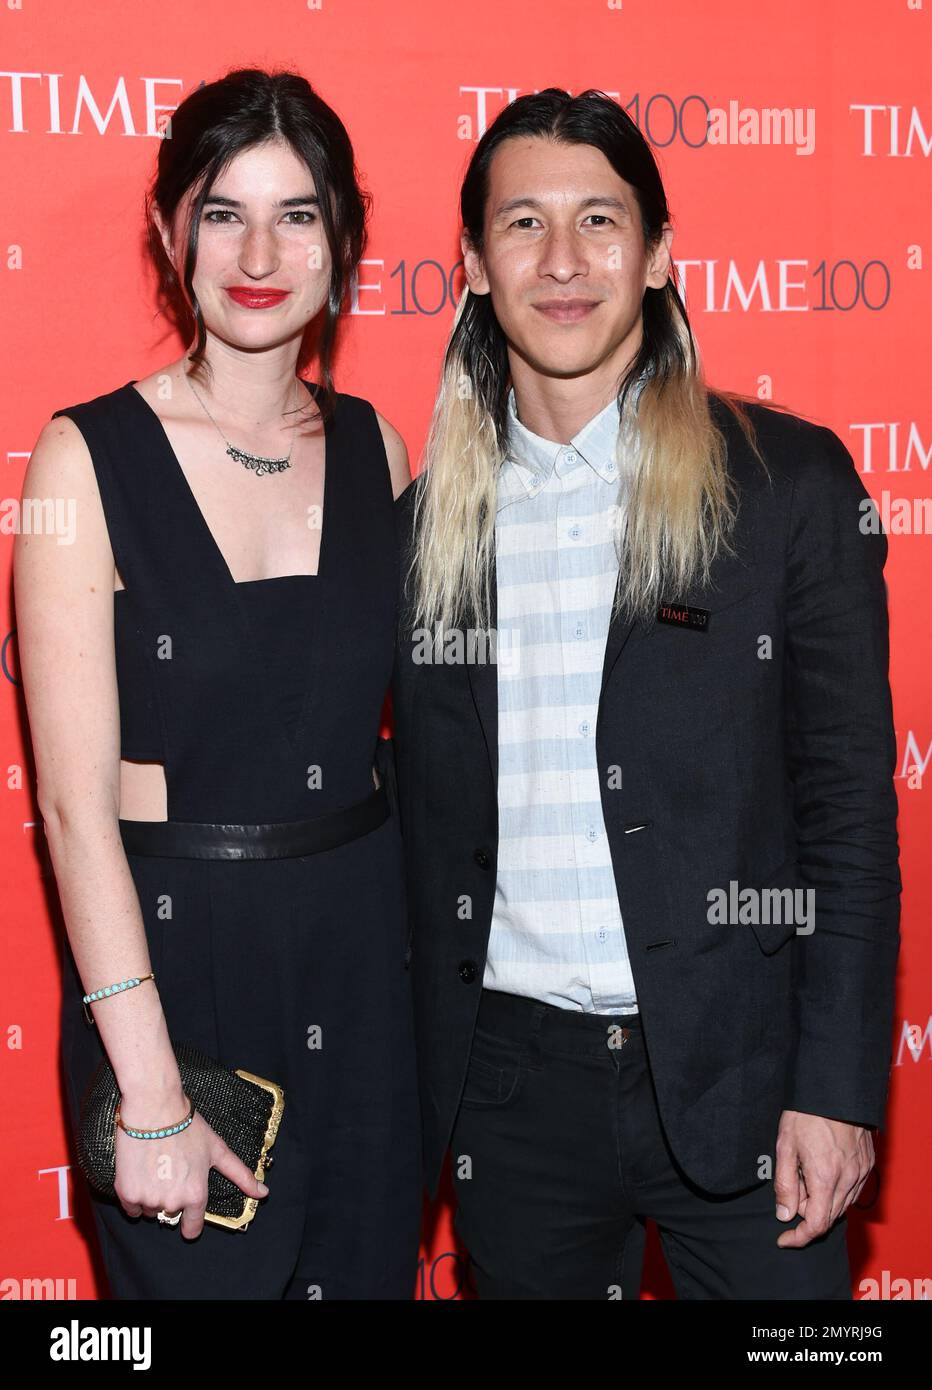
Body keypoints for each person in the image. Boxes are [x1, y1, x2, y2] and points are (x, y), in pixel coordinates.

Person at [391, 88, 901, 1300]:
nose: (561, 262)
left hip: (746, 1076)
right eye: (520, 224)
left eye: (599, 222)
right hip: (510, 1095)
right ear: (470, 265)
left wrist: (832, 1088)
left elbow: (846, 812)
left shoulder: (785, 483)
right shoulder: (423, 531)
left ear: (659, 254)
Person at [14, 67, 421, 1300]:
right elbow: (77, 807)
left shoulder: (377, 448)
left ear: (341, 239)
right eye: (223, 210)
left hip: (361, 970)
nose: (258, 252)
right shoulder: (84, 458)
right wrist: (145, 1089)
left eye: (297, 214)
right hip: (175, 975)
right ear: (165, 229)